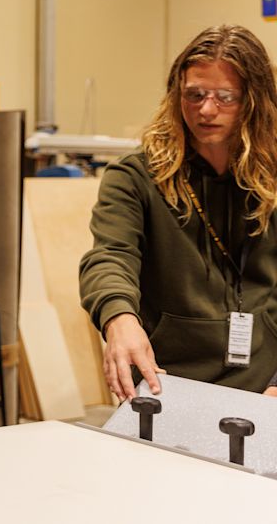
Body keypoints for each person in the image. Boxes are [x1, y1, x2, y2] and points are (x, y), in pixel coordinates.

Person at [80, 24, 277, 401]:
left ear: (254, 100)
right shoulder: (135, 176)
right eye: (195, 94)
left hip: (263, 387)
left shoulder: (271, 175)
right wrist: (119, 318)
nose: (207, 109)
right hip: (166, 381)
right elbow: (109, 256)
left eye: (225, 97)